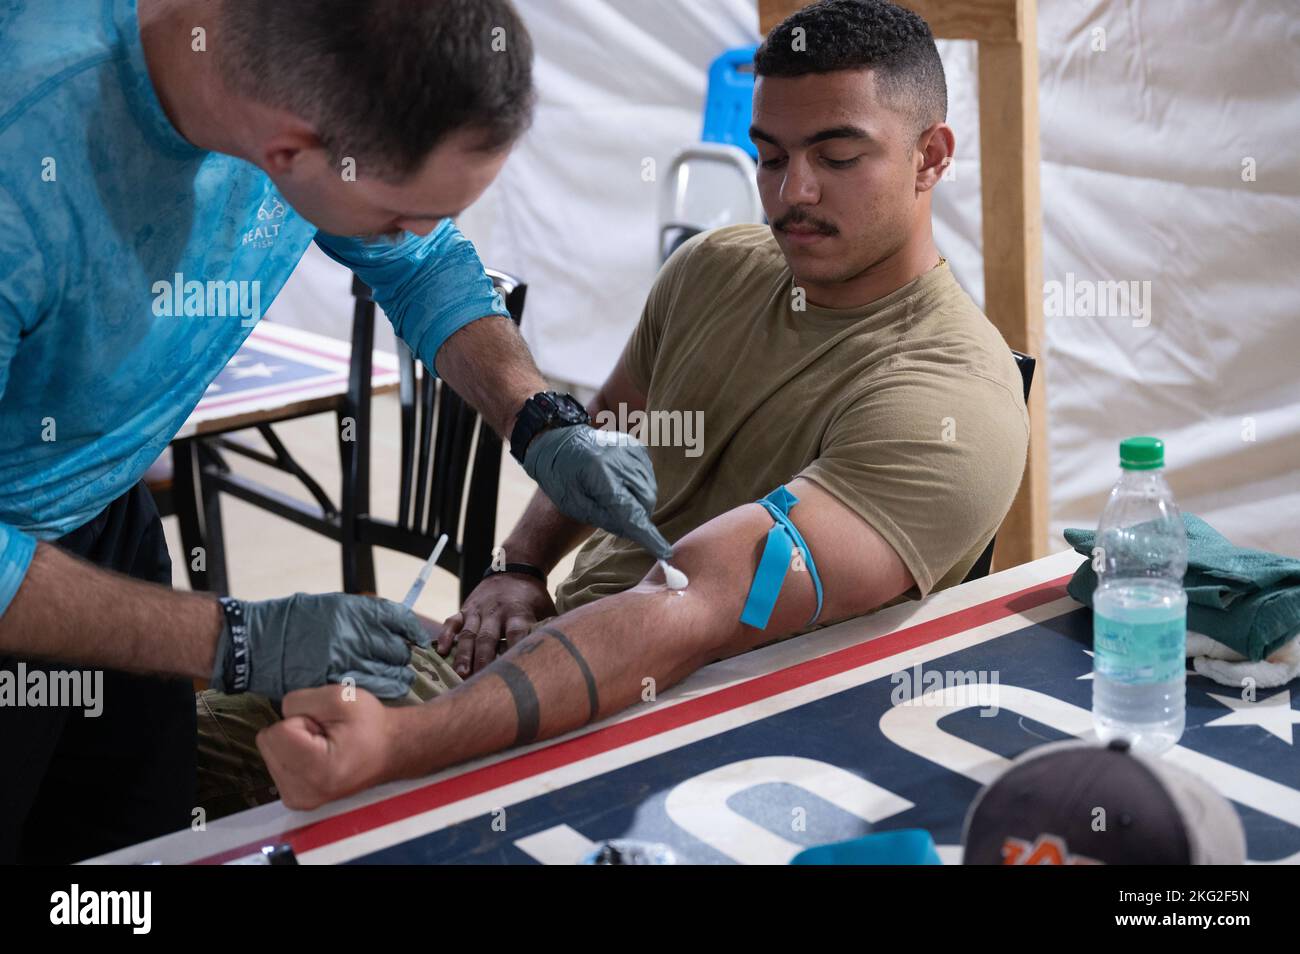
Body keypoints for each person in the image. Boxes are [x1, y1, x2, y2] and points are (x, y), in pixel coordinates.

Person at [242, 0, 1032, 813]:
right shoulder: (716, 268)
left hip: (661, 738)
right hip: (540, 668)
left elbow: (692, 607)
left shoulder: (953, 401)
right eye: (769, 156)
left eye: (837, 157)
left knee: (192, 781)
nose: (792, 192)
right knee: (168, 736)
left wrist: (403, 743)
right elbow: (604, 439)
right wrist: (520, 566)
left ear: (930, 157)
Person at [0, 0, 666, 863]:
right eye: (396, 213)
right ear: (284, 153)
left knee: (132, 859)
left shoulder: (302, 80)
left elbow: (423, 262)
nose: (413, 234)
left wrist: (544, 423)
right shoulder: (25, 157)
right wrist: (241, 639)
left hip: (100, 507)